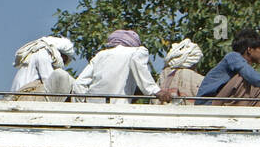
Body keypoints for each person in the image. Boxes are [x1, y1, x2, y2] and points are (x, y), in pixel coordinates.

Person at [45, 29, 174, 104]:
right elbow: (137, 64)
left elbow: (79, 85)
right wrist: (154, 91)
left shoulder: (101, 55)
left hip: (94, 110)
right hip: (118, 109)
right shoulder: (137, 52)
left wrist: (82, 106)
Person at [195, 29, 260, 106]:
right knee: (247, 78)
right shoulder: (233, 57)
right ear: (249, 50)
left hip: (219, 100)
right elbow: (253, 77)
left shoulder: (241, 64)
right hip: (208, 103)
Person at [7, 36, 75, 99]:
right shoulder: (43, 53)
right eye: (64, 60)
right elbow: (48, 80)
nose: (63, 62)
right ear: (61, 54)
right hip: (24, 94)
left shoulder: (44, 53)